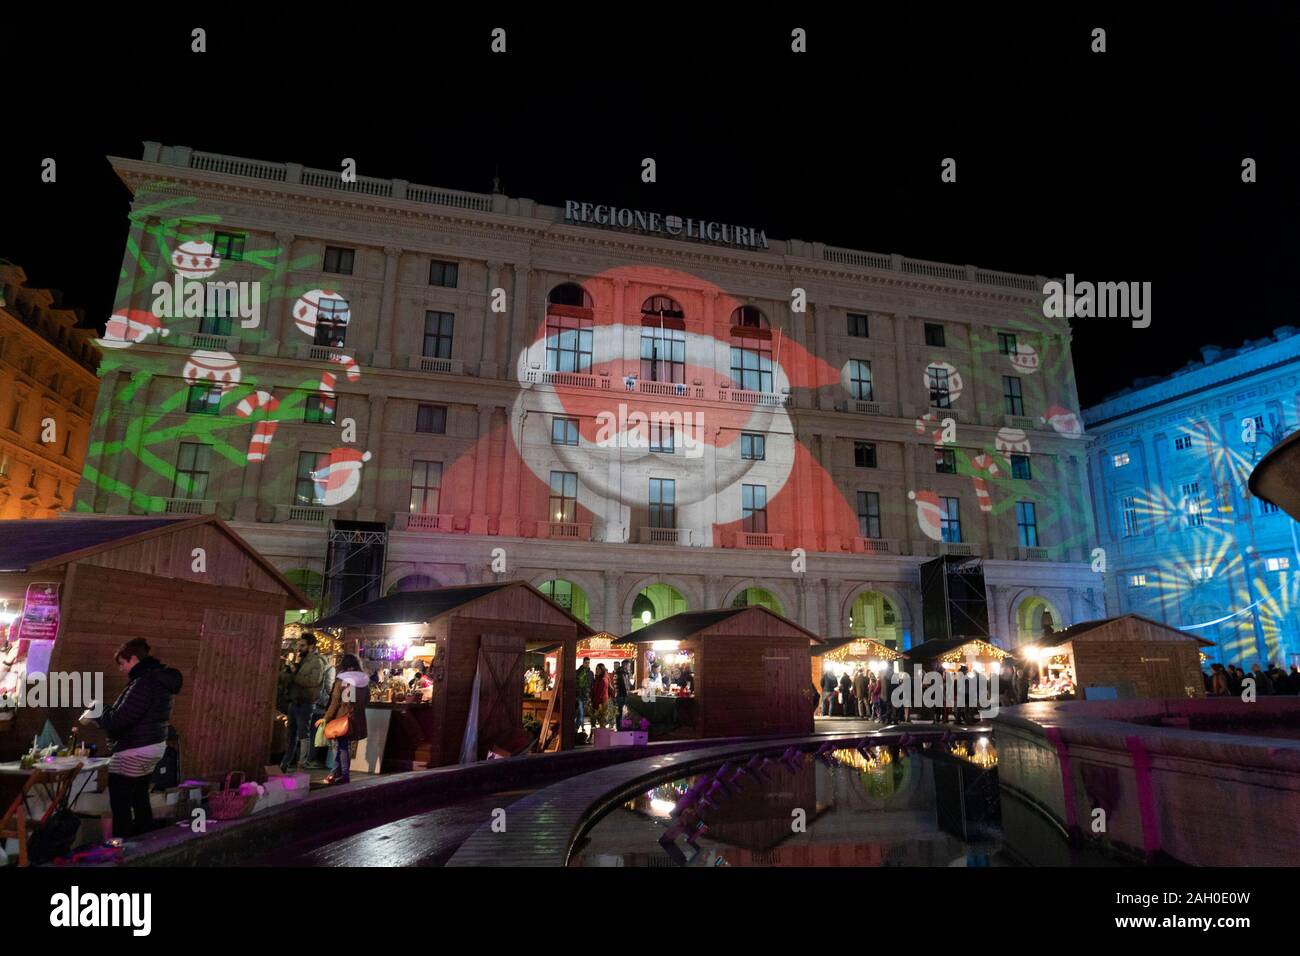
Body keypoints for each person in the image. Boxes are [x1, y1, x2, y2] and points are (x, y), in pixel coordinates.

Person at [80, 638, 183, 839]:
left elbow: (120, 719)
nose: (121, 669)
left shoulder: (144, 683)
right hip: (153, 746)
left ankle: (122, 848)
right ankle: (144, 845)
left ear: (134, 659)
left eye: (122, 663)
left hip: (133, 749)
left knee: (121, 803)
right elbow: (130, 712)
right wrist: (105, 709)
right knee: (140, 798)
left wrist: (97, 713)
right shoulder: (157, 681)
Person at [317, 654, 369, 785]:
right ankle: (337, 774)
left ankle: (342, 774)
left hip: (342, 718)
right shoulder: (363, 681)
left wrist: (326, 718)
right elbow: (366, 700)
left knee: (340, 746)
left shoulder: (343, 681)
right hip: (357, 717)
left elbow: (336, 703)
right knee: (343, 746)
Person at [280, 632, 324, 773]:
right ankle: (285, 762)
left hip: (305, 702)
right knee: (290, 734)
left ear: (311, 647)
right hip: (294, 700)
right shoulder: (301, 660)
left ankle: (301, 763)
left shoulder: (316, 662)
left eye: (302, 645)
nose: (299, 648)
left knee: (303, 734)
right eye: (298, 645)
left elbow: (313, 681)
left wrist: (294, 675)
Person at [304, 651, 338, 770]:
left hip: (310, 701)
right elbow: (329, 687)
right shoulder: (330, 669)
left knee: (309, 732)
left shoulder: (313, 666)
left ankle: (305, 759)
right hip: (321, 704)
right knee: (316, 733)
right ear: (330, 658)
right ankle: (312, 759)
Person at [575, 657, 593, 736]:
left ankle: (576, 730)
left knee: (579, 714)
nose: (587, 664)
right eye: (586, 662)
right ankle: (575, 729)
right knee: (581, 714)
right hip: (579, 696)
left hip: (586, 696)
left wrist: (590, 694)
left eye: (588, 663)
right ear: (583, 663)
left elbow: (592, 684)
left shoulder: (590, 673)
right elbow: (575, 684)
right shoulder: (578, 672)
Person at [591, 663, 612, 729]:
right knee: (594, 722)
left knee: (601, 723)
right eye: (596, 669)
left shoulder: (603, 680)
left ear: (602, 670)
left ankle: (602, 738)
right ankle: (593, 736)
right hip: (597, 703)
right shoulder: (597, 679)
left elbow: (600, 694)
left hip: (601, 704)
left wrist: (594, 704)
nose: (597, 670)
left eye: (599, 669)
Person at [612, 660, 630, 727]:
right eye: (628, 666)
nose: (629, 667)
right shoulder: (622, 674)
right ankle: (620, 727)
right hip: (622, 696)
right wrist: (629, 694)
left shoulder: (618, 673)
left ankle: (619, 727)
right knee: (621, 712)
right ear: (625, 665)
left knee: (619, 712)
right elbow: (625, 686)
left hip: (619, 695)